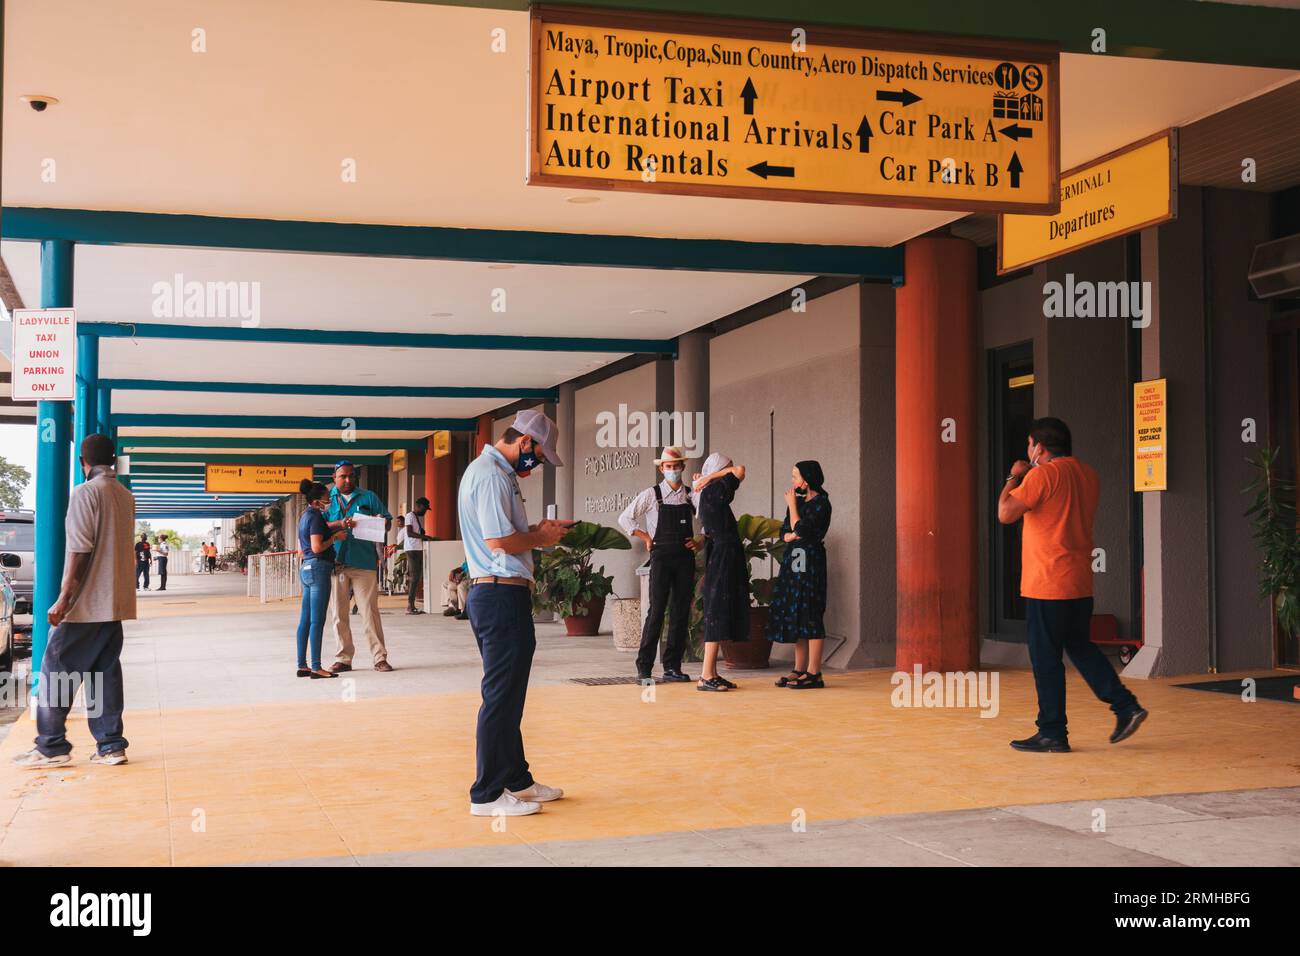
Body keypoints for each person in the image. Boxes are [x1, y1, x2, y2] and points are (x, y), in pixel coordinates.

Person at [998, 417, 1148, 752]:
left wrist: (1014, 476)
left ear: (1040, 447)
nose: (1028, 450)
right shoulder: (1087, 474)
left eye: (1029, 444)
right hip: (1078, 583)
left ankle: (1052, 732)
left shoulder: (1042, 475)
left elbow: (1005, 513)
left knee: (1045, 658)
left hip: (1047, 583)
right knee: (1080, 647)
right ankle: (1126, 706)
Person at [458, 410, 572, 817]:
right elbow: (498, 541)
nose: (538, 463)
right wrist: (541, 537)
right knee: (500, 696)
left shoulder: (498, 474)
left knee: (510, 694)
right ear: (524, 441)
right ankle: (486, 794)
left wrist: (540, 532)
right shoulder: (490, 474)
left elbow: (507, 535)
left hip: (502, 594)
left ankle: (515, 779)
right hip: (498, 593)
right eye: (539, 455)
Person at [14, 434, 135, 769]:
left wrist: (64, 599)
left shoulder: (85, 493)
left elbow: (79, 550)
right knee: (103, 673)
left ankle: (52, 746)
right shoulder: (124, 496)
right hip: (114, 603)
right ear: (111, 461)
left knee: (56, 670)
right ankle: (110, 745)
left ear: (83, 462)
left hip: (85, 605)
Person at [618, 446, 698, 683]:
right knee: (656, 611)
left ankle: (672, 667)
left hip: (685, 558)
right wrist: (645, 537)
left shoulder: (691, 494)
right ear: (661, 469)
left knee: (681, 611)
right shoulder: (652, 494)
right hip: (661, 557)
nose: (672, 470)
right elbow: (625, 517)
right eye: (668, 467)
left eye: (676, 466)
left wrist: (700, 540)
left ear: (683, 467)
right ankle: (644, 668)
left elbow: (708, 516)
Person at [768, 461, 832, 689]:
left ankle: (815, 672)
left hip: (811, 560)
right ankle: (799, 668)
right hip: (794, 560)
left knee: (811, 609)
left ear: (807, 479)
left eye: (795, 476)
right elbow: (787, 530)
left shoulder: (821, 503)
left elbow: (802, 530)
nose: (793, 481)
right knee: (797, 610)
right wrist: (793, 532)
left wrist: (793, 512)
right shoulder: (798, 502)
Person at [326, 460, 394, 672]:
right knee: (339, 613)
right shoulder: (327, 501)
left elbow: (388, 522)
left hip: (364, 562)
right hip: (337, 563)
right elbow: (318, 526)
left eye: (351, 476)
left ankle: (379, 657)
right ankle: (343, 658)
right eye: (343, 476)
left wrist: (382, 520)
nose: (348, 480)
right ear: (334, 478)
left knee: (369, 611)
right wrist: (339, 524)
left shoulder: (369, 497)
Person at [691, 453, 748, 692]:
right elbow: (741, 471)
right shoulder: (713, 491)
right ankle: (706, 675)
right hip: (724, 553)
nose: (730, 470)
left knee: (718, 607)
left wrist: (705, 478)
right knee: (717, 609)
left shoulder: (706, 494)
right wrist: (710, 477)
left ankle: (711, 673)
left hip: (720, 552)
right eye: (727, 467)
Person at [295, 479, 349, 679]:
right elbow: (317, 547)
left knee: (305, 621)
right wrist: (335, 537)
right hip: (319, 568)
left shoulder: (304, 517)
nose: (330, 501)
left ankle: (303, 665)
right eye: (327, 498)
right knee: (318, 621)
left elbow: (303, 550)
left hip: (307, 568)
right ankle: (317, 667)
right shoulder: (316, 517)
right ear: (317, 502)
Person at [403, 497, 435, 614]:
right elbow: (409, 533)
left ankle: (412, 606)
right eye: (424, 509)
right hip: (412, 549)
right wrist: (425, 537)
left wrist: (422, 533)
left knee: (417, 577)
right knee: (414, 577)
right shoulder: (409, 516)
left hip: (417, 549)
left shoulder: (415, 517)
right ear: (419, 506)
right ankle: (410, 606)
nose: (425, 511)